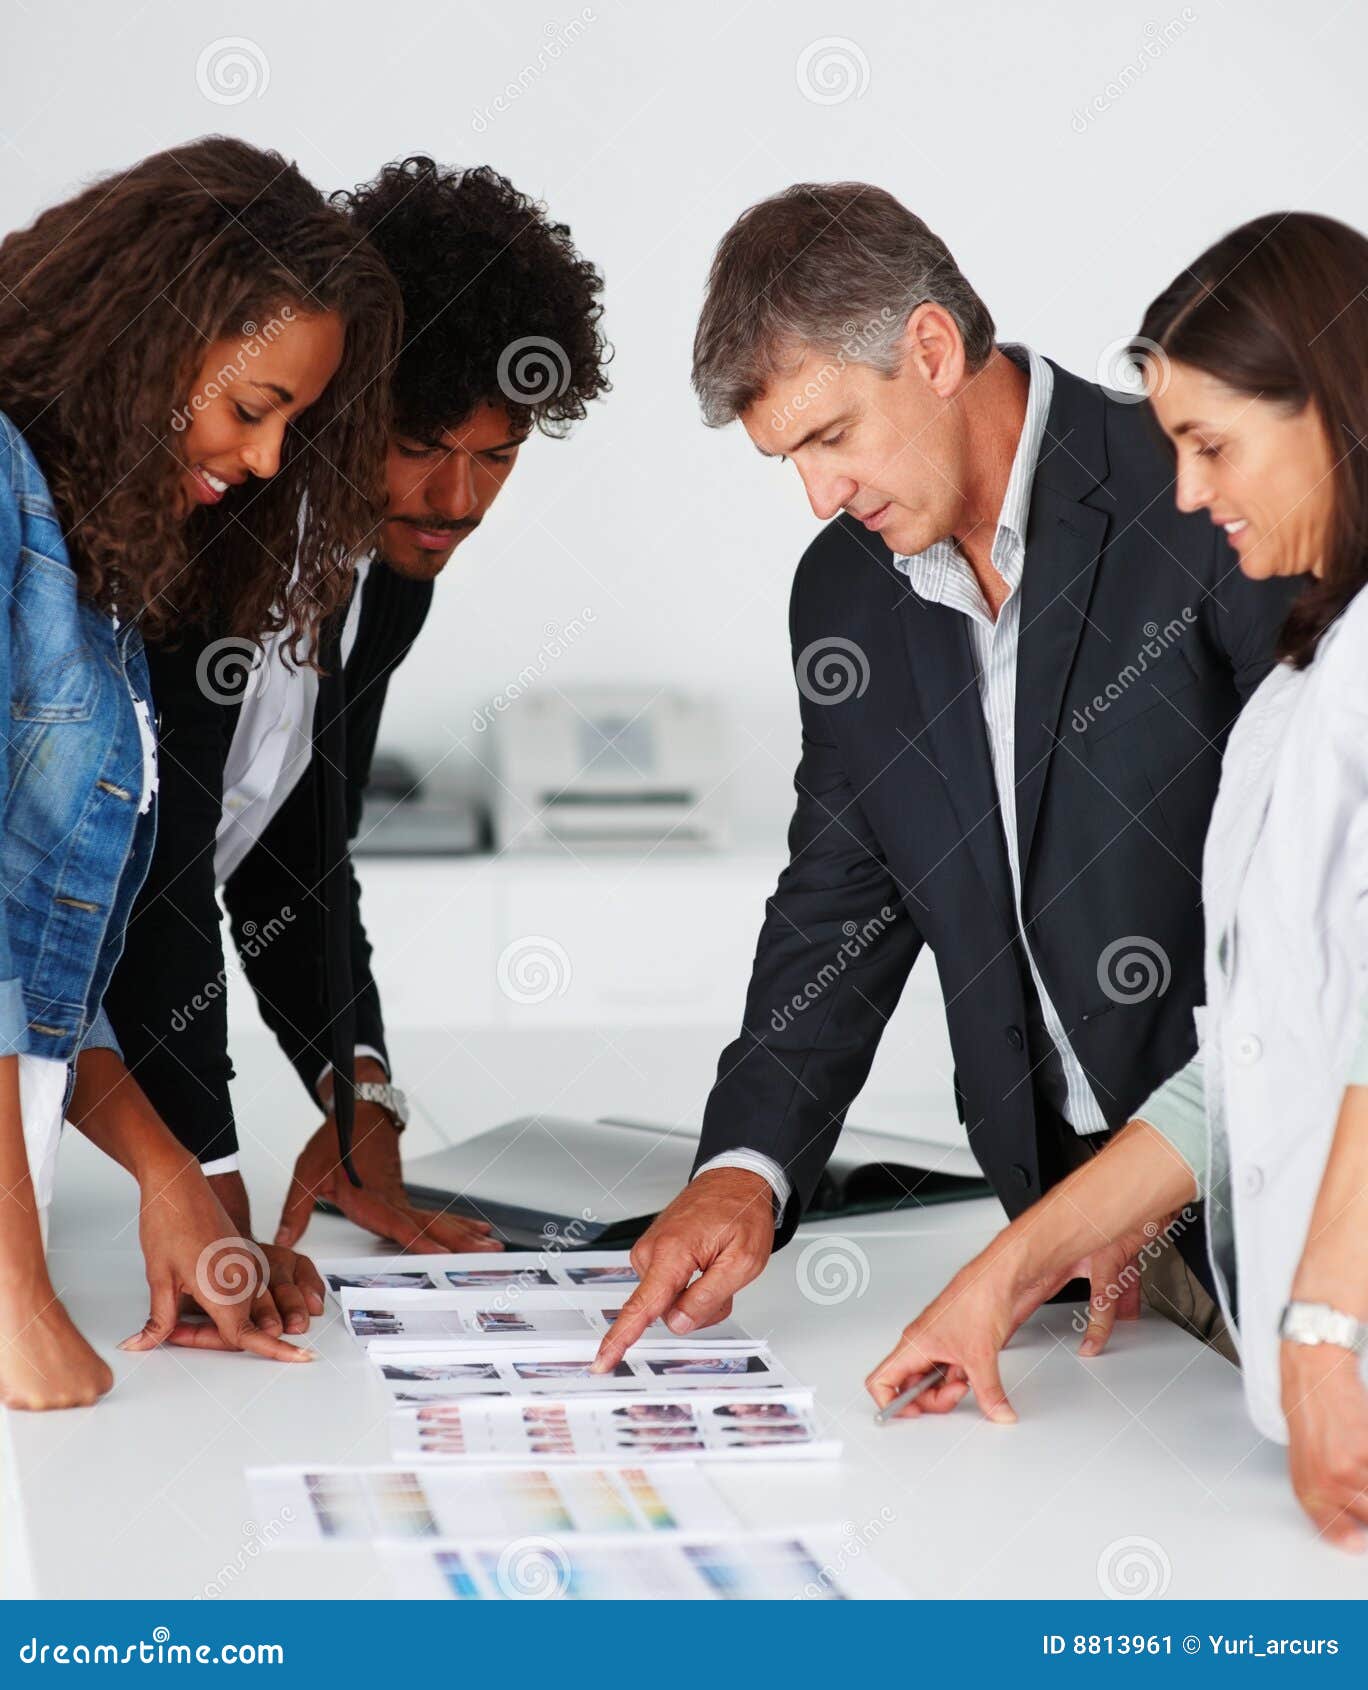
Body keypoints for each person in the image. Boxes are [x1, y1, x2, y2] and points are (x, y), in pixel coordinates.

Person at [594, 182, 1299, 1373]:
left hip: (1285, 1187)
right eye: (789, 458)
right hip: (1071, 1247)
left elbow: (1326, 912)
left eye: (831, 436)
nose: (819, 495)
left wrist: (1123, 1194)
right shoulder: (845, 593)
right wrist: (743, 1169)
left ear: (930, 349)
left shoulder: (1199, 491)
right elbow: (838, 899)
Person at [865, 212, 1368, 1553]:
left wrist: (1326, 1324)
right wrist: (1003, 1271)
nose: (1188, 495)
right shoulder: (1303, 687)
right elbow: (1247, 1062)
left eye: (1213, 445)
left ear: (1334, 412)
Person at [103, 158, 611, 1270]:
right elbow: (165, 875)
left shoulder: (389, 580)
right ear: (340, 406)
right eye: (420, 449)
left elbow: (296, 860)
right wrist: (211, 1183)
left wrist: (359, 1099)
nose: (457, 502)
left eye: (496, 456)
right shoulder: (194, 538)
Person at [0, 136, 400, 1406]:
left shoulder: (96, 556)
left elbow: (44, 969)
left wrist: (169, 1176)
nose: (270, 461)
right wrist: (18, 1303)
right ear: (151, 342)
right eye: (253, 408)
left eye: (295, 423)